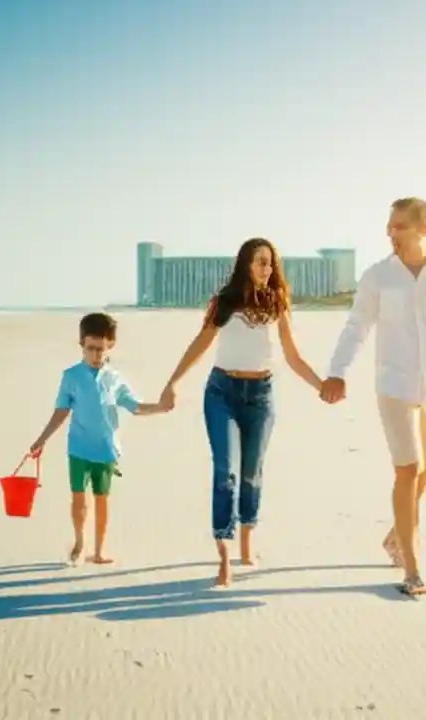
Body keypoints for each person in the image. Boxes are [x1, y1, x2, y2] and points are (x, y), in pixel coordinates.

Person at [320, 197, 426, 597]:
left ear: (424, 228)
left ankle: (396, 533)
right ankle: (412, 568)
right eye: (389, 227)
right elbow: (357, 326)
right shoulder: (378, 277)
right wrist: (337, 371)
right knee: (407, 470)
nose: (390, 234)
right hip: (393, 386)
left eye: (398, 227)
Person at [159, 238, 324, 587]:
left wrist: (321, 384)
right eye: (260, 262)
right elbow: (200, 344)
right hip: (222, 393)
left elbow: (292, 356)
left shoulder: (277, 304)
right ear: (246, 264)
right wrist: (173, 381)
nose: (266, 269)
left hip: (261, 396)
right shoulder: (225, 302)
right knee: (225, 472)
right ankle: (224, 555)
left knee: (252, 473)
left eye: (270, 263)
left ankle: (247, 544)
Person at [29, 312, 168, 565]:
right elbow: (61, 411)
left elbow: (135, 406)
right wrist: (42, 439)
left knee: (103, 500)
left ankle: (99, 550)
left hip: (106, 450)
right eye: (91, 348)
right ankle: (80, 542)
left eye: (101, 349)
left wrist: (160, 407)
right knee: (79, 498)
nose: (96, 355)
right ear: (81, 344)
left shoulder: (114, 379)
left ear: (110, 346)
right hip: (78, 448)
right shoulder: (71, 376)